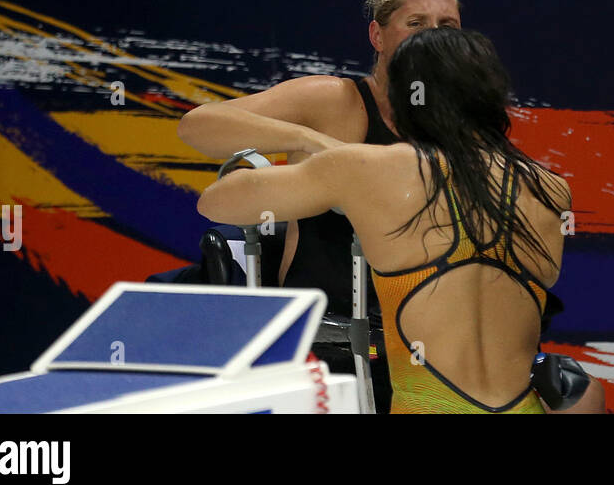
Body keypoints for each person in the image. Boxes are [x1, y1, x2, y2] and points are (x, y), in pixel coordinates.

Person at [198, 27, 573, 414]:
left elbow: (218, 203)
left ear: (405, 100)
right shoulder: (550, 190)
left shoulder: (373, 168)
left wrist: (312, 147)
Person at [178, 0, 462, 410]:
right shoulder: (333, 102)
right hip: (328, 342)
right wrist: (310, 141)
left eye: (447, 26)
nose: (433, 36)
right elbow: (198, 126)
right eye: (416, 23)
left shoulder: (464, 126)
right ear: (378, 35)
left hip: (426, 347)